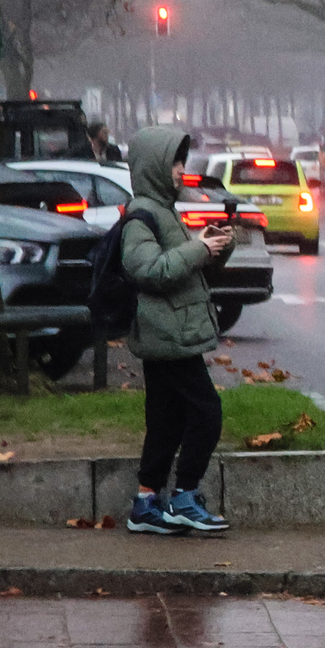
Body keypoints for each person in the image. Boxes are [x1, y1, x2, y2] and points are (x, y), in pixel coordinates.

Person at [120, 126, 235, 536]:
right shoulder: (142, 216)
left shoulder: (163, 210)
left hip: (170, 332)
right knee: (206, 413)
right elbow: (150, 270)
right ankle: (185, 496)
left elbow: (179, 264)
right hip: (167, 334)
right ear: (154, 166)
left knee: (166, 420)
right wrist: (198, 248)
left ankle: (147, 502)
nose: (181, 169)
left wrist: (214, 246)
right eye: (174, 161)